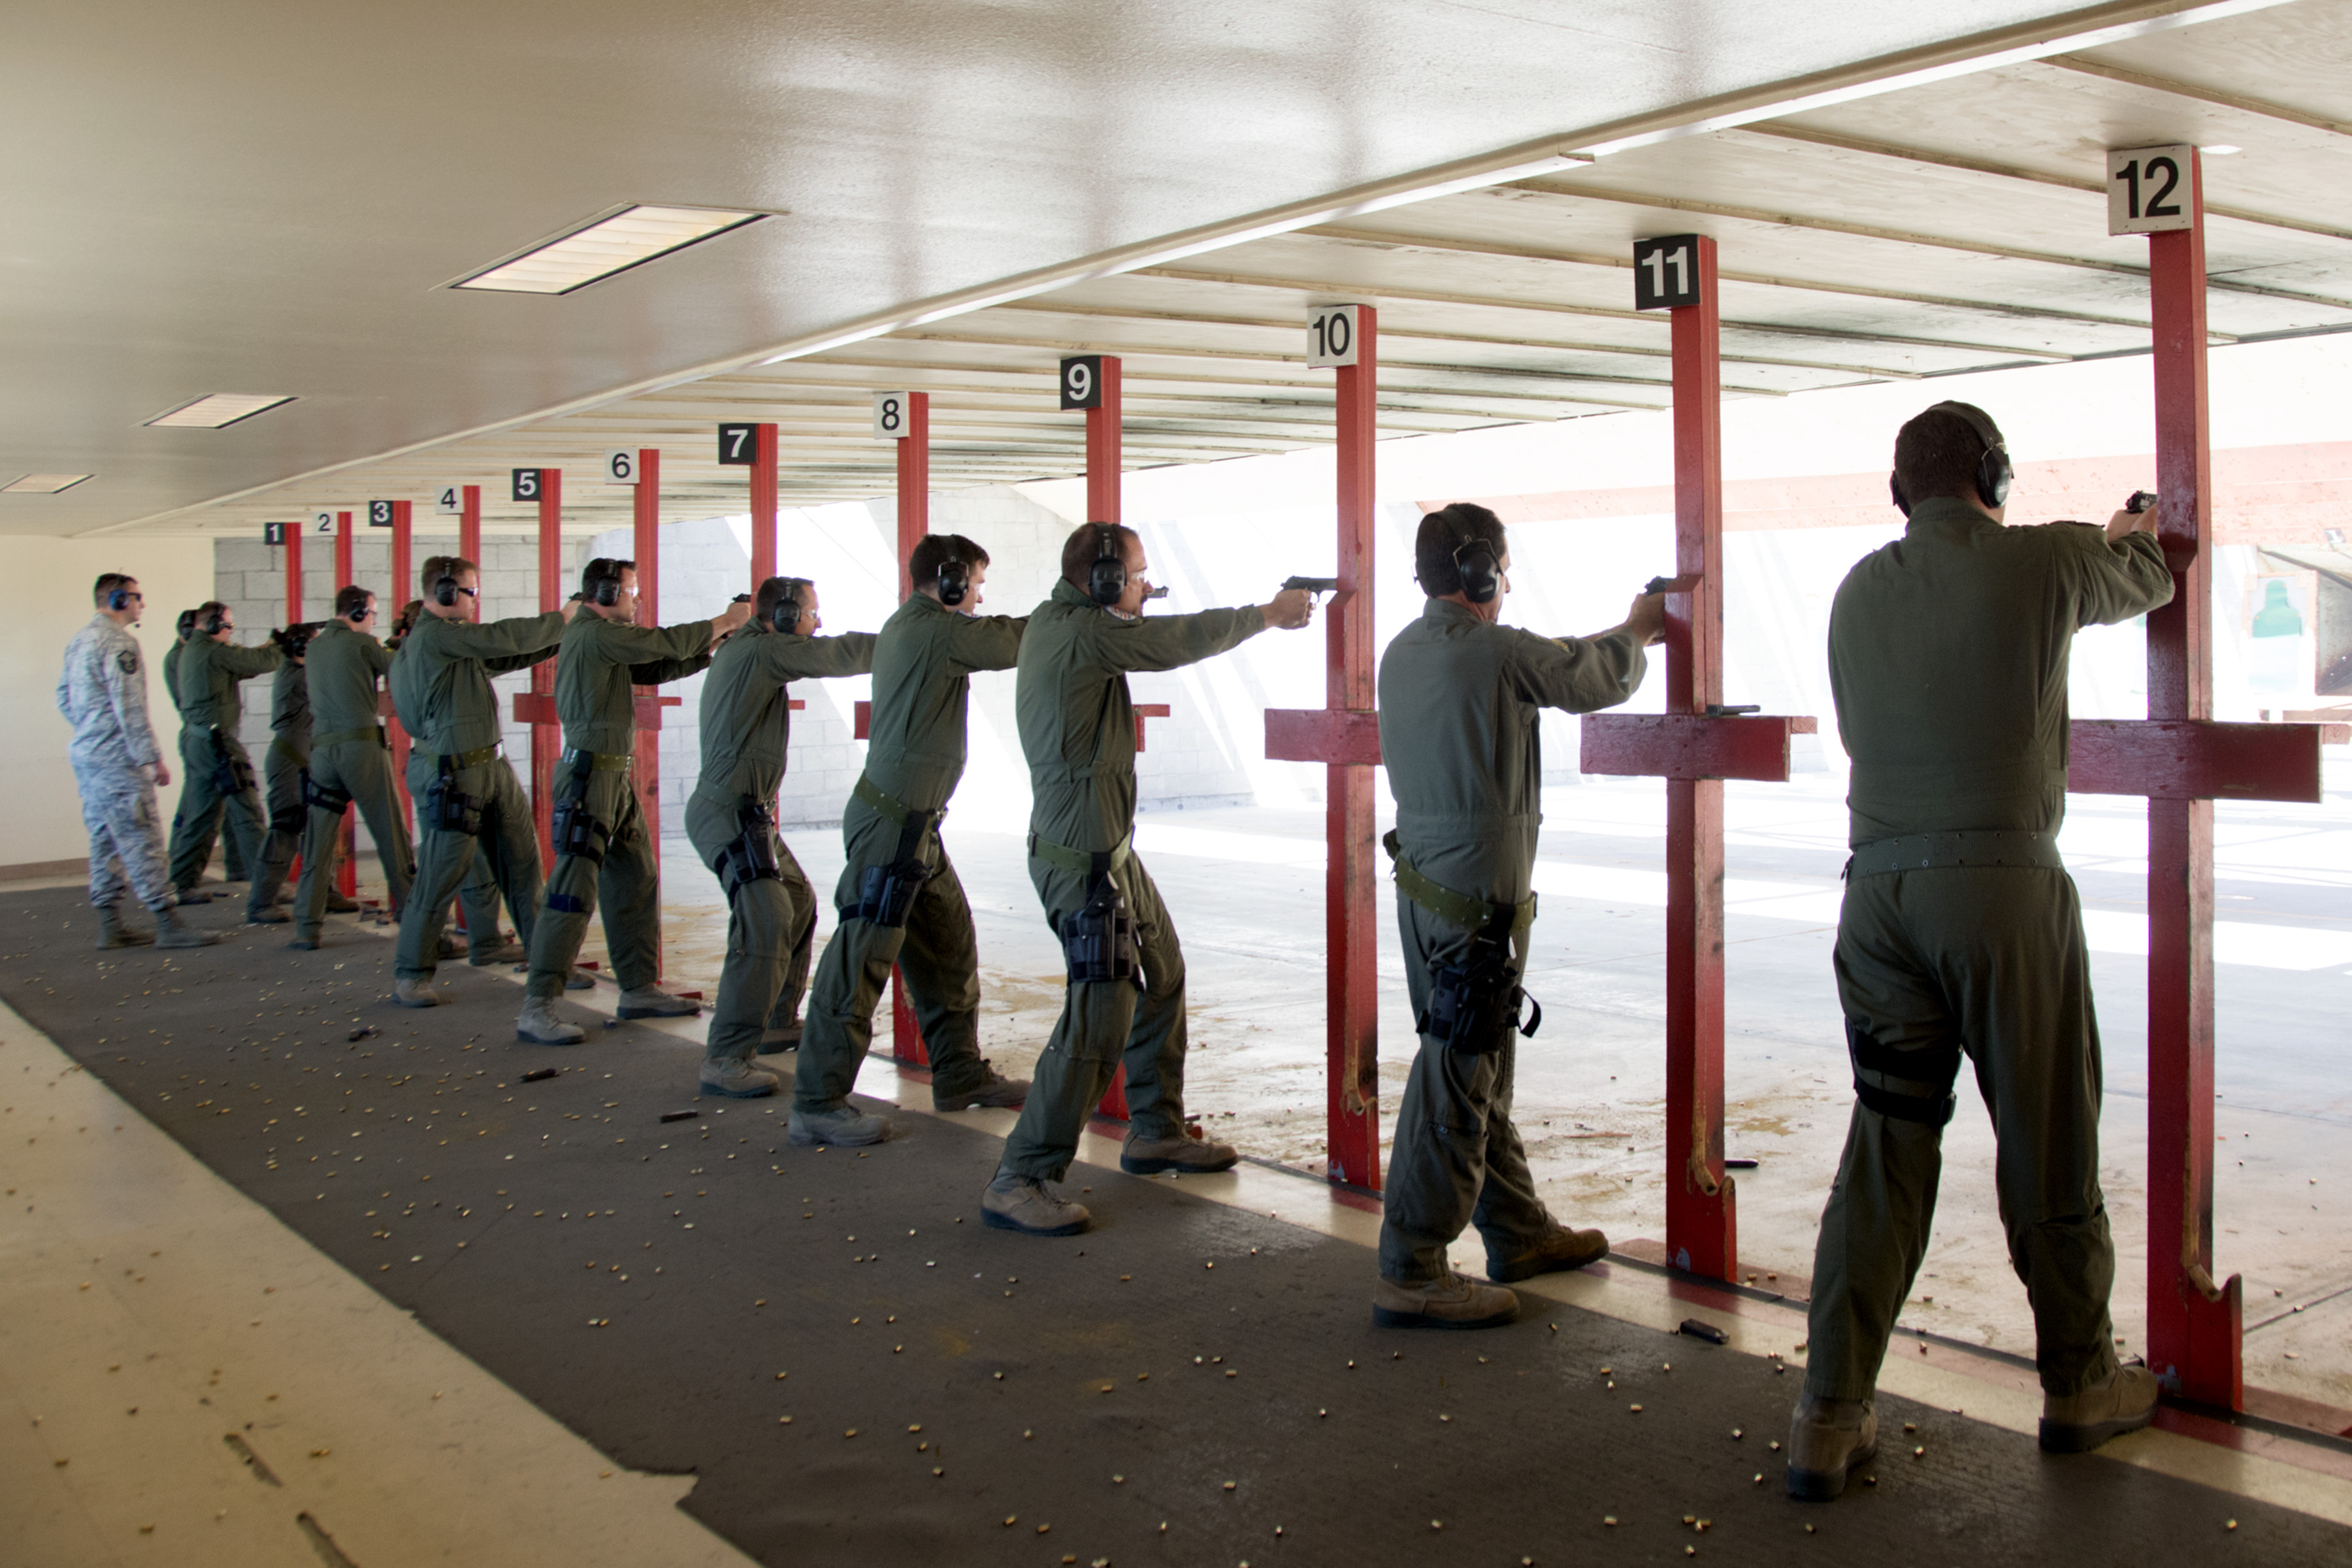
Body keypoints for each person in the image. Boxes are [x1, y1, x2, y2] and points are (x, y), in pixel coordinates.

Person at [1786, 402, 2175, 1499]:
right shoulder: (2045, 561)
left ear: (1899, 493)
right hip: (2004, 894)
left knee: (1887, 1149)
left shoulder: (1858, 589)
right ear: (1994, 476)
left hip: (1877, 901)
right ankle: (2080, 1385)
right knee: (2048, 1143)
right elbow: (2148, 579)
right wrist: (2132, 526)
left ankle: (1829, 1412)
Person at [1372, 502, 1662, 1328]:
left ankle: (1517, 1230)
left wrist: (1623, 631)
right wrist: (1640, 632)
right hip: (1477, 904)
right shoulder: (1495, 653)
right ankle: (1413, 1262)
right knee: (1461, 1073)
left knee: (1474, 1061)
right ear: (1479, 572)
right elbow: (1589, 675)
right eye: (1499, 565)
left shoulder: (1405, 651)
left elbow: (1555, 659)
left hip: (1429, 893)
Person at [981, 523, 1313, 1235]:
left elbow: (1148, 631)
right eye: (1135, 575)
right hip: (1084, 862)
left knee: (1161, 975)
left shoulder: (1070, 622)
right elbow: (1168, 644)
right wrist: (1264, 615)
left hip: (1112, 854)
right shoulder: (1080, 633)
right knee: (1100, 1013)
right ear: (1099, 580)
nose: (1145, 586)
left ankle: (1154, 1128)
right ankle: (1023, 1175)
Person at [796, 534, 1031, 1141]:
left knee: (949, 943)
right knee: (860, 959)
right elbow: (1015, 639)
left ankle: (958, 1075)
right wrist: (1085, 613)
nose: (979, 597)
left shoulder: (921, 625)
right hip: (894, 826)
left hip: (916, 826)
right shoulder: (934, 628)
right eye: (975, 584)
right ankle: (817, 1103)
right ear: (949, 581)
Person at [515, 557, 752, 1043]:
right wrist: (726, 620)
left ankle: (638, 987)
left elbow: (656, 664)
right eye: (630, 590)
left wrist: (712, 647)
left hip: (611, 778)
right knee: (571, 892)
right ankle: (538, 1003)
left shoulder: (602, 638)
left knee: (634, 881)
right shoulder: (595, 634)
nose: (636, 599)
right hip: (590, 780)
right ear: (603, 594)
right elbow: (661, 643)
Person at [685, 575, 875, 1102]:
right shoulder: (762, 651)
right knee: (765, 919)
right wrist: (910, 643)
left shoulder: (754, 648)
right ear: (786, 617)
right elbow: (837, 655)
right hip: (729, 813)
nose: (817, 624)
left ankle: (773, 1019)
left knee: (795, 899)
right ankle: (726, 1056)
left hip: (748, 816)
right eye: (812, 613)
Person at [389, 556, 568, 1006]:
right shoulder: (435, 639)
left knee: (523, 869)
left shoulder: (449, 647)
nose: (475, 600)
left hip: (487, 767)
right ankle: (411, 973)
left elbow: (507, 652)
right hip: (456, 773)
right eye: (471, 591)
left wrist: (559, 635)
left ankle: (543, 964)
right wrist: (561, 619)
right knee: (439, 876)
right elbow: (501, 636)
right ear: (447, 593)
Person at [56, 575, 214, 950]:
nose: (142, 604)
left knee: (105, 837)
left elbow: (64, 697)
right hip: (118, 761)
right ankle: (167, 920)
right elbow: (131, 709)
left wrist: (91, 729)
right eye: (137, 597)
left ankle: (111, 923)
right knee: (142, 837)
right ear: (118, 599)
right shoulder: (119, 643)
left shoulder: (79, 640)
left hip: (88, 756)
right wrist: (152, 758)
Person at [290, 587, 417, 947]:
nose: (374, 620)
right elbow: (403, 667)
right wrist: (404, 641)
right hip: (360, 750)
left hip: (323, 753)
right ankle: (415, 921)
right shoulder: (363, 646)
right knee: (392, 838)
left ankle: (307, 925)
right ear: (360, 612)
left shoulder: (313, 647)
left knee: (318, 843)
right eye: (373, 614)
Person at [170, 600, 287, 923]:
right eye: (229, 626)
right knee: (249, 813)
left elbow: (245, 664)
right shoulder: (213, 650)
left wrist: (271, 646)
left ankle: (182, 883)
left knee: (201, 815)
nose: (231, 631)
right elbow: (256, 661)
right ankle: (268, 891)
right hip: (218, 743)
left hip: (200, 740)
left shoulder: (194, 649)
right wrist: (282, 645)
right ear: (212, 625)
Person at [260, 621, 356, 932]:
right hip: (291, 760)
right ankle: (261, 902)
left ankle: (325, 892)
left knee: (318, 827)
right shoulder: (298, 675)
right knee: (286, 829)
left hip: (302, 759)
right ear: (303, 648)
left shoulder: (299, 670)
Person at [163, 606, 244, 897]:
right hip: (203, 739)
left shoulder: (191, 653)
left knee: (228, 806)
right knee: (198, 809)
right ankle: (182, 875)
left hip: (209, 738)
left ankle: (238, 866)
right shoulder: (182, 657)